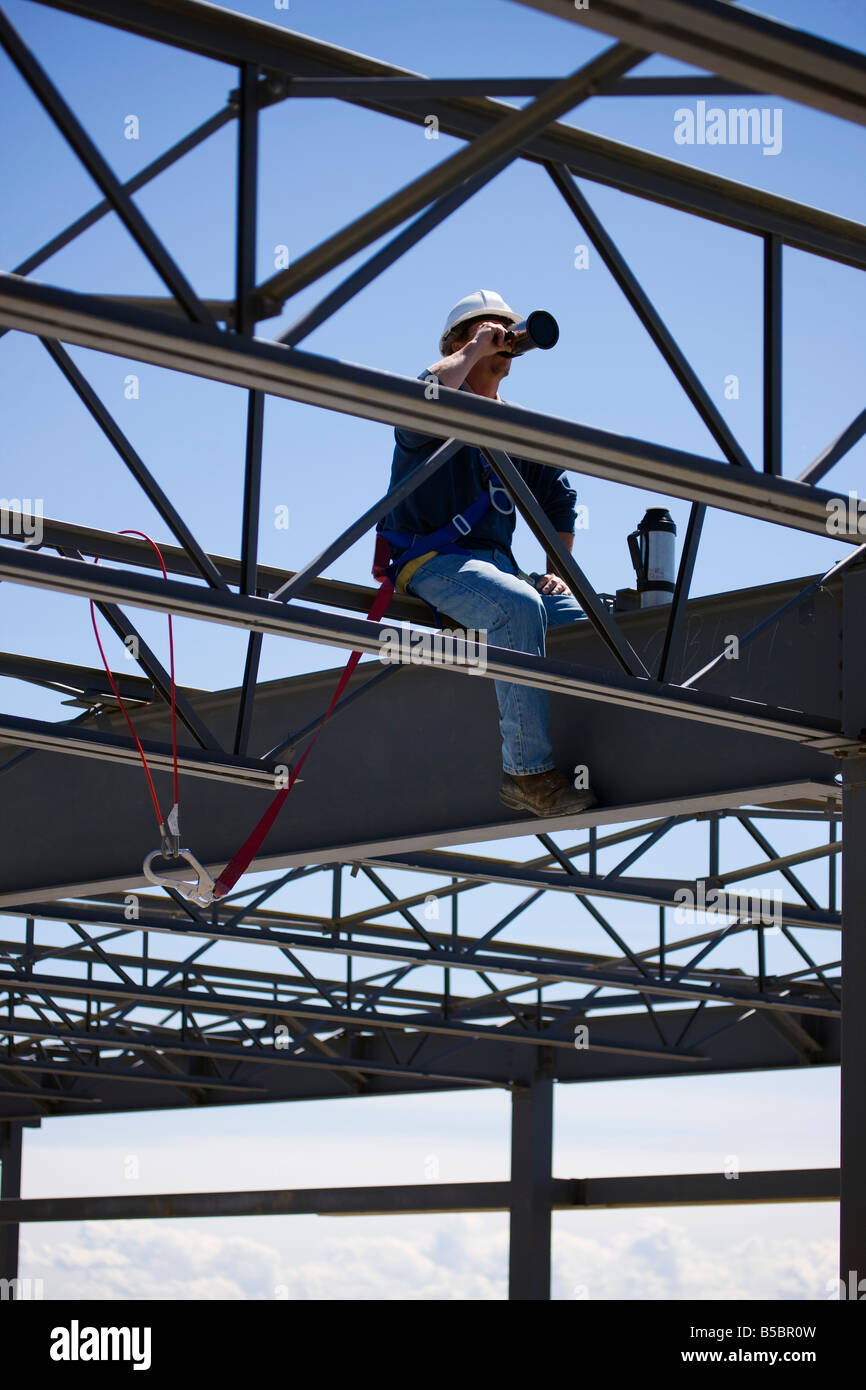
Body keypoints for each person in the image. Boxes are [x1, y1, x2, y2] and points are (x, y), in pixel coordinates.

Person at [379, 290, 597, 818]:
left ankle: (609, 743)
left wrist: (558, 573)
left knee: (594, 621)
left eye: (505, 330)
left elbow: (559, 497)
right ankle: (527, 775)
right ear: (459, 343)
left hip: (498, 566)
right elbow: (418, 401)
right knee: (515, 609)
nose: (502, 337)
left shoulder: (513, 426)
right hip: (434, 561)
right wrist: (473, 350)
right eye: (486, 329)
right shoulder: (435, 402)